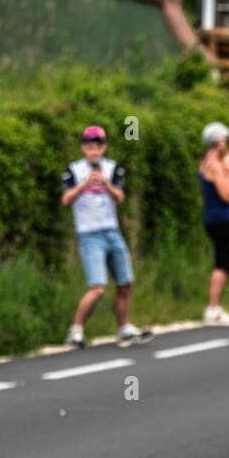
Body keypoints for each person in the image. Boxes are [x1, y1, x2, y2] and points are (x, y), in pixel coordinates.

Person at [62, 125, 145, 349]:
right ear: (82, 148)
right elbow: (66, 199)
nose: (94, 151)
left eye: (98, 146)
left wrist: (105, 183)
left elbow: (120, 197)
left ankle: (124, 328)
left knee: (125, 282)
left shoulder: (112, 168)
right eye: (89, 146)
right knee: (98, 287)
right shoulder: (74, 170)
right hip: (89, 232)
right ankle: (76, 329)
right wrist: (85, 184)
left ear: (104, 147)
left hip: (112, 229)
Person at [198, 122, 229, 325]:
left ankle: (215, 307)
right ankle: (213, 308)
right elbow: (228, 194)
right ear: (217, 142)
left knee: (224, 260)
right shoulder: (215, 165)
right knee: (223, 262)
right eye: (225, 140)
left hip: (214, 218)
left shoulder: (208, 162)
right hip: (220, 218)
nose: (227, 144)